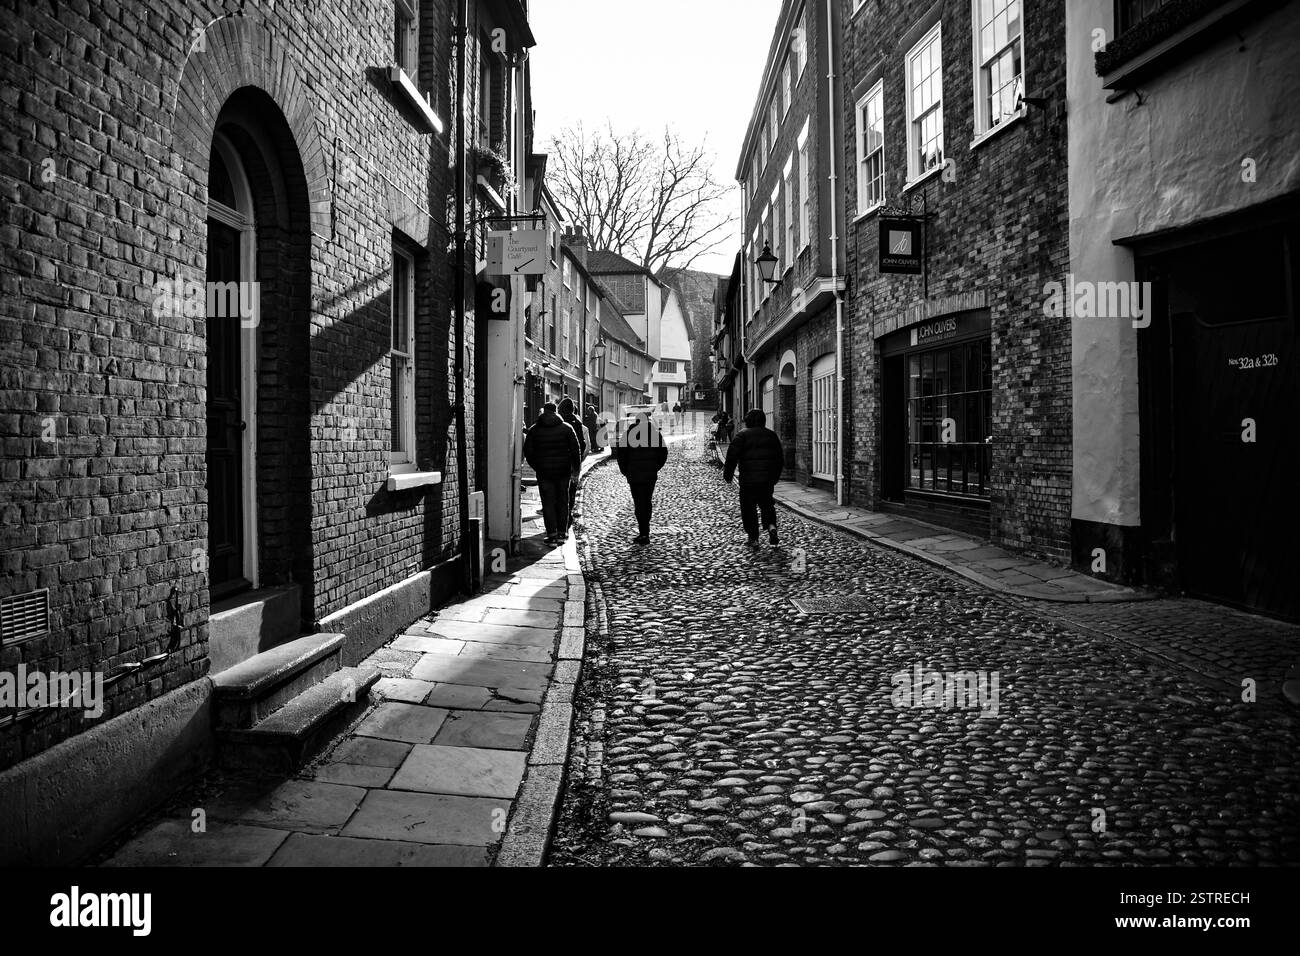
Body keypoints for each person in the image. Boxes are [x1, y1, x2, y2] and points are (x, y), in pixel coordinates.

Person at [723, 408, 785, 547]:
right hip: (766, 480)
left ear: (748, 421)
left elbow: (731, 457)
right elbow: (779, 459)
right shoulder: (772, 436)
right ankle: (771, 527)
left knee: (748, 508)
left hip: (748, 481)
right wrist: (774, 477)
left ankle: (753, 538)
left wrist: (728, 474)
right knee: (767, 505)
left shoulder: (741, 435)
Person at [523, 402, 581, 546]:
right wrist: (575, 469)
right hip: (563, 471)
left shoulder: (534, 429)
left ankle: (552, 535)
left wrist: (537, 466)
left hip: (544, 472)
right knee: (563, 501)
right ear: (556, 412)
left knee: (548, 502)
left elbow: (528, 451)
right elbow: (576, 450)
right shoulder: (567, 428)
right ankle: (562, 533)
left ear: (544, 412)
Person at [612, 411, 668, 545]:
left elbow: (621, 455)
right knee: (646, 502)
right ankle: (645, 532)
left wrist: (626, 471)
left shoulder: (628, 435)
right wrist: (655, 467)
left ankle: (643, 532)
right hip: (649, 475)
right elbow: (663, 453)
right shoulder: (654, 434)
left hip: (634, 475)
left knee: (638, 503)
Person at [558, 398, 587, 530]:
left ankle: (559, 523)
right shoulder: (578, 423)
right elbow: (582, 444)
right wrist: (578, 463)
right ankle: (567, 518)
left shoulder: (558, 422)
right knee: (571, 492)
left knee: (558, 494)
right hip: (572, 465)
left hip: (559, 464)